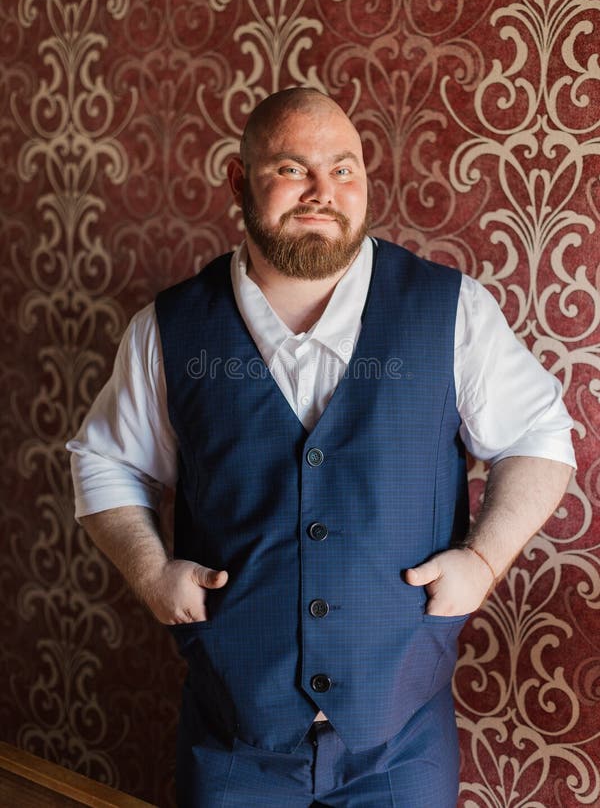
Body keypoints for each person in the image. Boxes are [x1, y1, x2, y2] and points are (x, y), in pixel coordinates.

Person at [68, 88, 575, 807]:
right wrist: (151, 572)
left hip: (402, 739)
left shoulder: (451, 309)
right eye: (292, 169)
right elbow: (105, 460)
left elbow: (539, 436)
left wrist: (484, 562)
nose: (322, 192)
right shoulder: (169, 327)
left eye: (343, 169)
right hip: (233, 742)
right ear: (240, 183)